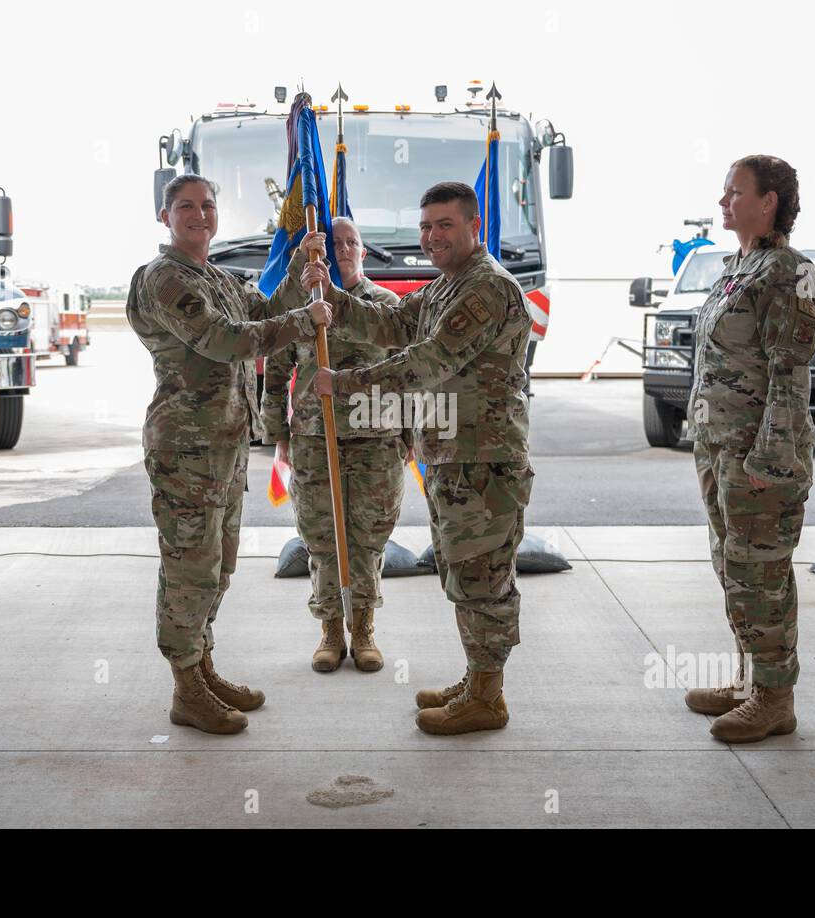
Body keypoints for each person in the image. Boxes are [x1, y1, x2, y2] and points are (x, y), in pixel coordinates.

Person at [301, 181, 534, 736]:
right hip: (455, 458)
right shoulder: (447, 287)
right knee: (461, 570)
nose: (431, 237)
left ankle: (487, 696)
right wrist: (330, 297)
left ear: (473, 226)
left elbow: (426, 360)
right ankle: (478, 678)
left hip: (483, 461)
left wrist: (347, 382)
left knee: (483, 577)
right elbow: (397, 324)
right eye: (425, 226)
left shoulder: (484, 290)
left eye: (444, 225)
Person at [127, 173, 327, 735]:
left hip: (225, 446)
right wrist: (300, 322)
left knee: (218, 566)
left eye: (208, 206)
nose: (199, 214)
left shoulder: (217, 276)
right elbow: (225, 339)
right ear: (165, 217)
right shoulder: (163, 278)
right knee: (189, 568)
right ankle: (185, 687)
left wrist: (300, 271)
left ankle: (203, 666)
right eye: (185, 206)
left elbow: (262, 310)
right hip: (185, 448)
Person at [683, 154, 815, 743]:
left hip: (759, 457)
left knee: (760, 573)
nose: (723, 202)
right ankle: (748, 680)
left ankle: (774, 699)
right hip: (720, 449)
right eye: (724, 192)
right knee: (733, 568)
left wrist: (769, 463)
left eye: (735, 192)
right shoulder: (738, 266)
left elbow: (790, 377)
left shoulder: (790, 272)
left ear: (769, 202)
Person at [261, 217, 407, 673]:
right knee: (322, 537)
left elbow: (408, 374)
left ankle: (362, 628)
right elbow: (275, 372)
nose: (342, 249)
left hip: (375, 441)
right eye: (334, 243)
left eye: (351, 242)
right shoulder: (305, 308)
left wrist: (409, 434)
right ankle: (329, 630)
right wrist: (278, 436)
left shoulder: (385, 305)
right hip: (313, 439)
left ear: (363, 252)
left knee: (367, 537)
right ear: (318, 254)